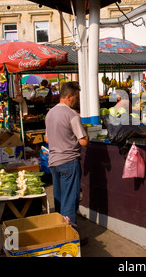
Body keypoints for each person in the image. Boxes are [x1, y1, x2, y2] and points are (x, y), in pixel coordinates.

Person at [45, 82, 89, 228]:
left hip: (53, 162)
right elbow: (83, 142)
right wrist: (85, 129)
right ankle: (70, 235)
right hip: (69, 161)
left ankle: (59, 231)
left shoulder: (50, 113)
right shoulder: (72, 114)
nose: (77, 100)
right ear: (69, 96)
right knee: (70, 199)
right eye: (76, 97)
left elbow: (46, 138)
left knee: (59, 198)